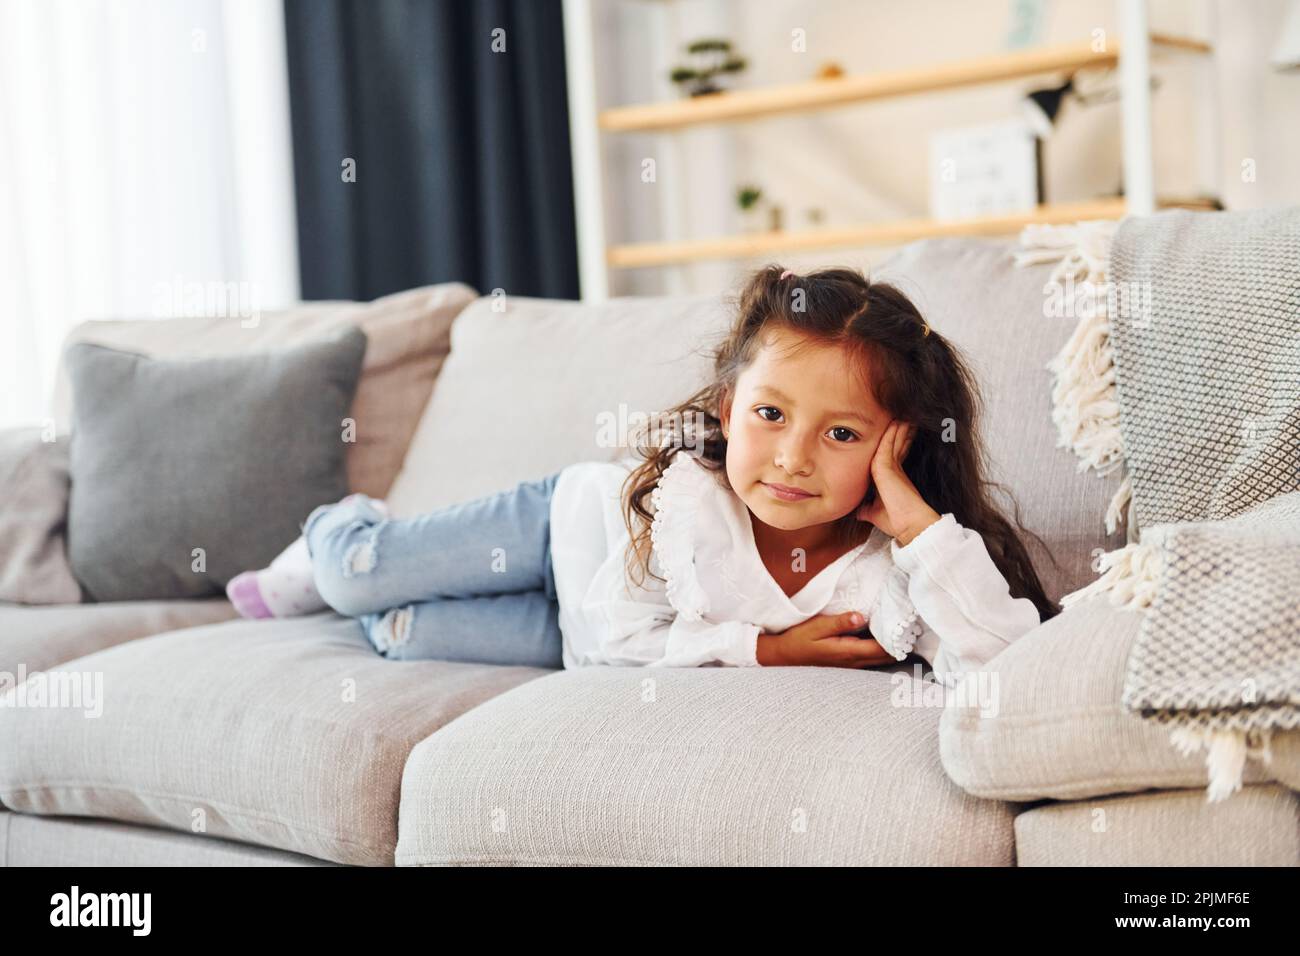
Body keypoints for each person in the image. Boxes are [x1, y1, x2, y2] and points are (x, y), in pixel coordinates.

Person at [226, 265, 1059, 685]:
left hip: (573, 640)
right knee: (352, 574)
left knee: (400, 637)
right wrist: (764, 650)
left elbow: (1008, 666)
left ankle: (368, 593)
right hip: (559, 530)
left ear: (896, 449)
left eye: (841, 433)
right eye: (770, 416)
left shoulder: (884, 574)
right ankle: (335, 528)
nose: (793, 457)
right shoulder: (690, 501)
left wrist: (916, 526)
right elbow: (634, 623)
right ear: (729, 411)